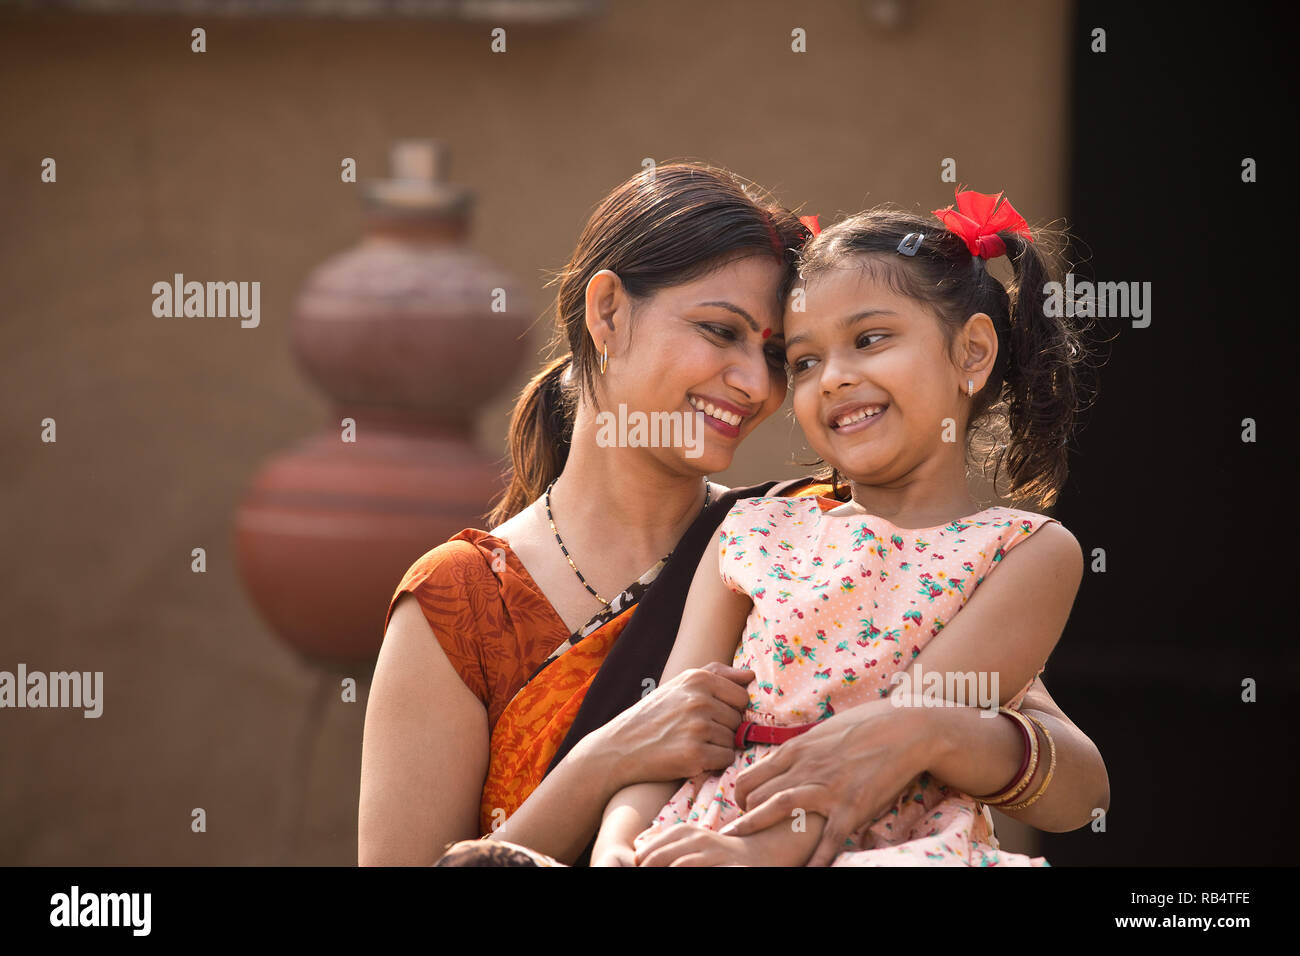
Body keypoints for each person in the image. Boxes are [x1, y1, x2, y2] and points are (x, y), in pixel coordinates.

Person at [357, 167, 1110, 867]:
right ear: (608, 312)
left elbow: (1079, 789)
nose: (755, 383)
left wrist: (922, 731)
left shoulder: (817, 529)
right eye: (719, 331)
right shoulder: (465, 602)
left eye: (779, 355)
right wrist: (601, 766)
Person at [592, 190, 1093, 866]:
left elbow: (890, 742)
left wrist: (751, 857)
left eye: (870, 339)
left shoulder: (1020, 553)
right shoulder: (752, 531)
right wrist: (618, 843)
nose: (832, 379)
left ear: (971, 354)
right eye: (803, 361)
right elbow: (670, 734)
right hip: (704, 838)